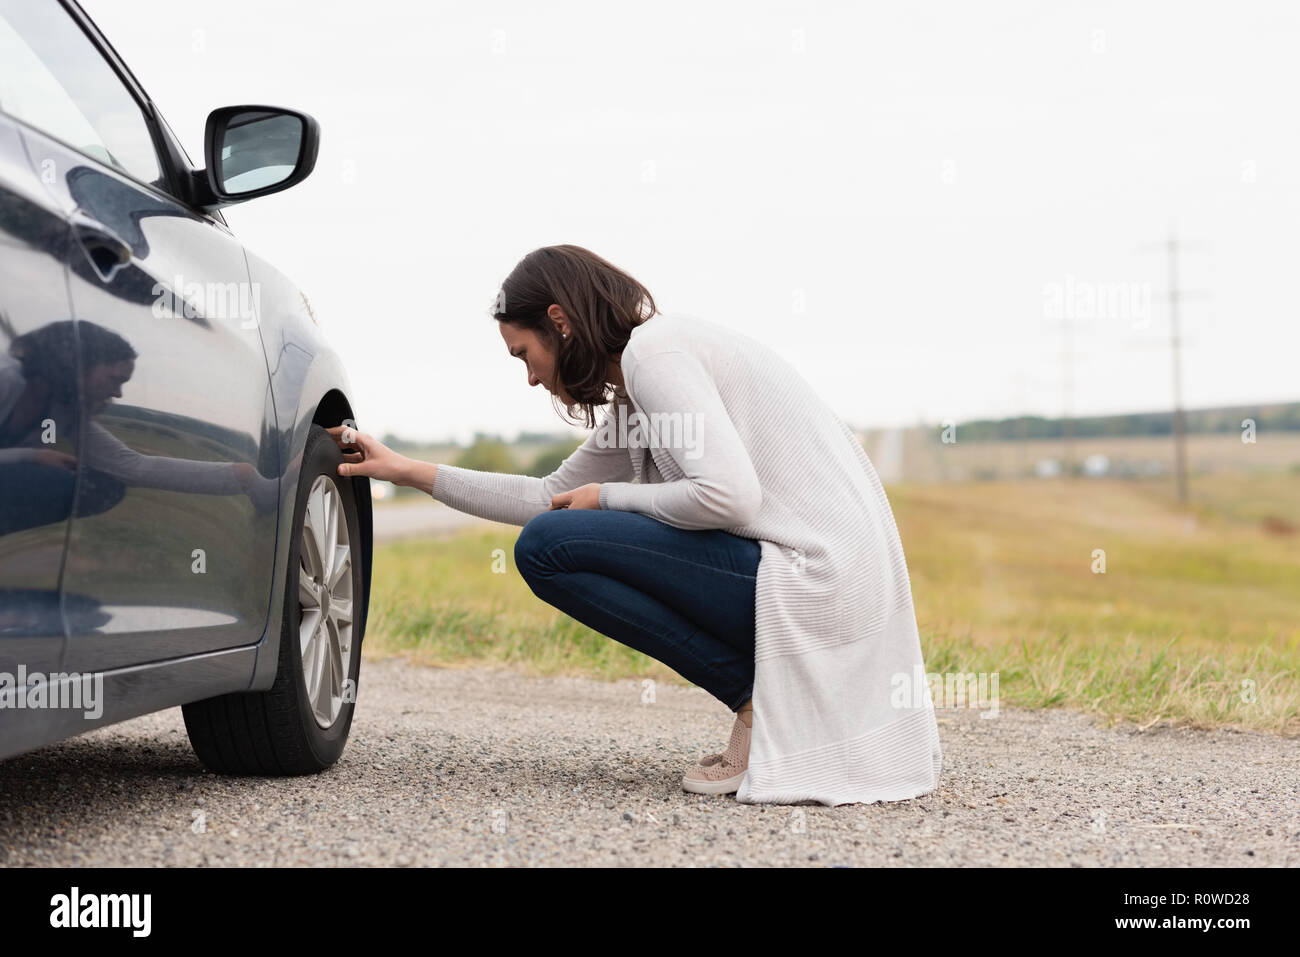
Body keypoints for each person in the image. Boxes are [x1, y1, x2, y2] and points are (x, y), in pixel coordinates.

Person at [330, 244, 943, 806]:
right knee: (550, 537)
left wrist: (612, 498)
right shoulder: (639, 385)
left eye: (525, 353)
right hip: (819, 581)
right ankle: (761, 701)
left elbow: (729, 497)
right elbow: (550, 497)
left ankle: (756, 706)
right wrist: (405, 470)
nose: (531, 377)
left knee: (547, 549)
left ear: (559, 321)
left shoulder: (658, 355)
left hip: (818, 583)